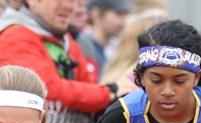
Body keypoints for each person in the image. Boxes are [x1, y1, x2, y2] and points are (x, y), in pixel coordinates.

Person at [0, 0, 130, 115]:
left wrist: (113, 92)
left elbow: (88, 85)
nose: (69, 6)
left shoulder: (65, 40)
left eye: (73, 0)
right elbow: (47, 89)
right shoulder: (15, 35)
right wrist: (108, 92)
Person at [77, 0, 131, 75]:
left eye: (126, 16)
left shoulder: (114, 50)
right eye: (119, 14)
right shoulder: (81, 46)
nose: (124, 23)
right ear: (96, 14)